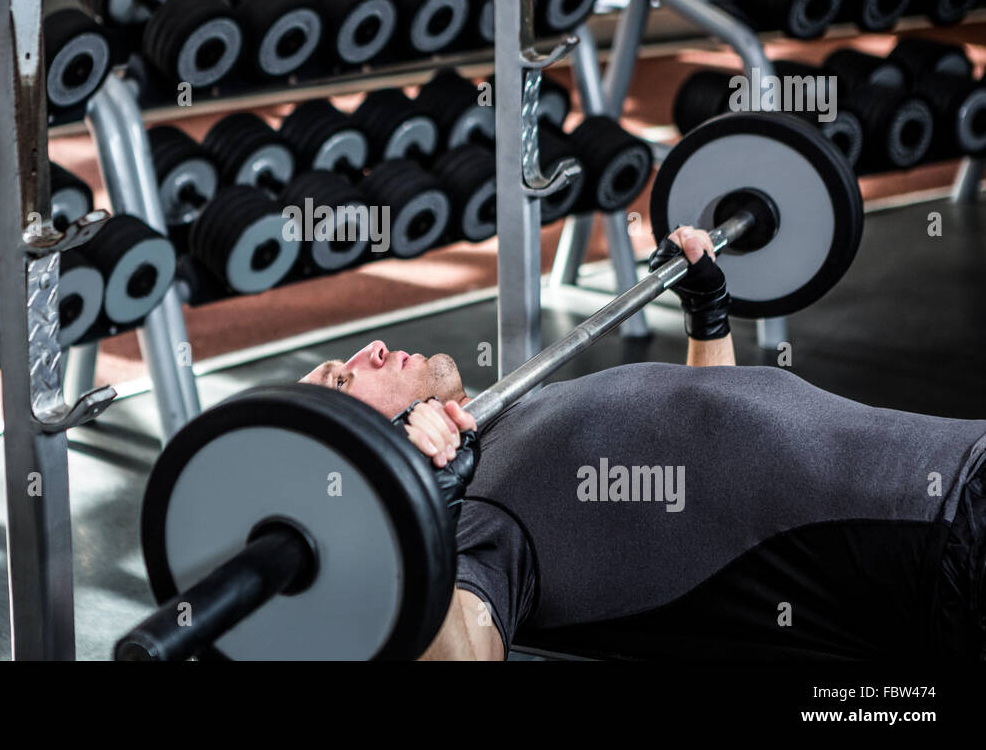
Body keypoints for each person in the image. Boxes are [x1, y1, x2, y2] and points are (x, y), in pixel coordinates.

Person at [300, 227, 986, 661]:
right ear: (355, 451)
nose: (372, 348)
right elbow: (463, 655)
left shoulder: (508, 424)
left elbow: (700, 453)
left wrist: (707, 318)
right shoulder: (476, 515)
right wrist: (435, 515)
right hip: (936, 548)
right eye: (342, 376)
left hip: (958, 465)